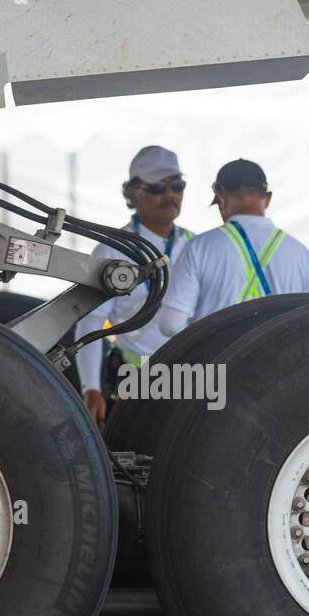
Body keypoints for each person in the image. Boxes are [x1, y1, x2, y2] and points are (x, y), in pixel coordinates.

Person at [77, 145, 194, 425]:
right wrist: (90, 387)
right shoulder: (112, 250)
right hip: (135, 379)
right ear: (132, 193)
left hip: (192, 381)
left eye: (177, 186)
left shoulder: (197, 246)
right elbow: (90, 321)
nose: (170, 195)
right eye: (157, 188)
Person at [158, 159, 309, 337]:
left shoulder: (199, 248)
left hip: (219, 362)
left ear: (220, 197)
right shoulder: (301, 254)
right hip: (286, 362)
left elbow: (170, 325)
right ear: (267, 199)